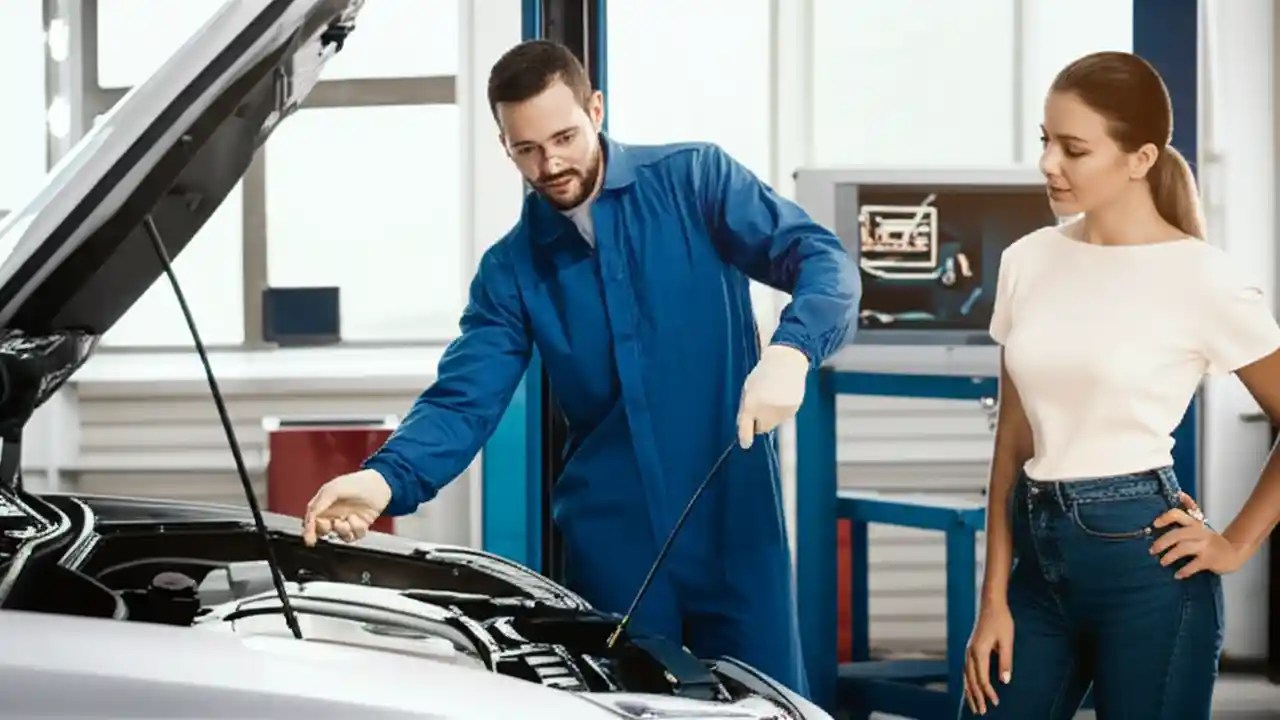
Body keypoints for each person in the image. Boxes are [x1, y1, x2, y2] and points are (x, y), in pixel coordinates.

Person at [299, 39, 860, 698]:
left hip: (734, 528)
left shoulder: (695, 182)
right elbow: (463, 400)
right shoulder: (511, 270)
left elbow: (821, 259)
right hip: (615, 545)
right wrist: (384, 477)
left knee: (768, 705)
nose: (551, 163)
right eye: (526, 149)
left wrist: (794, 349)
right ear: (505, 145)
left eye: (564, 137)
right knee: (624, 707)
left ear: (596, 109)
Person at [960, 50, 1280, 719]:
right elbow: (1012, 443)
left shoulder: (1203, 277)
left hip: (1147, 571)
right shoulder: (1027, 261)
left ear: (1141, 158)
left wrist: (1235, 544)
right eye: (1046, 141)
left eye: (1074, 149)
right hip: (1035, 573)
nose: (1049, 163)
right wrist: (992, 601)